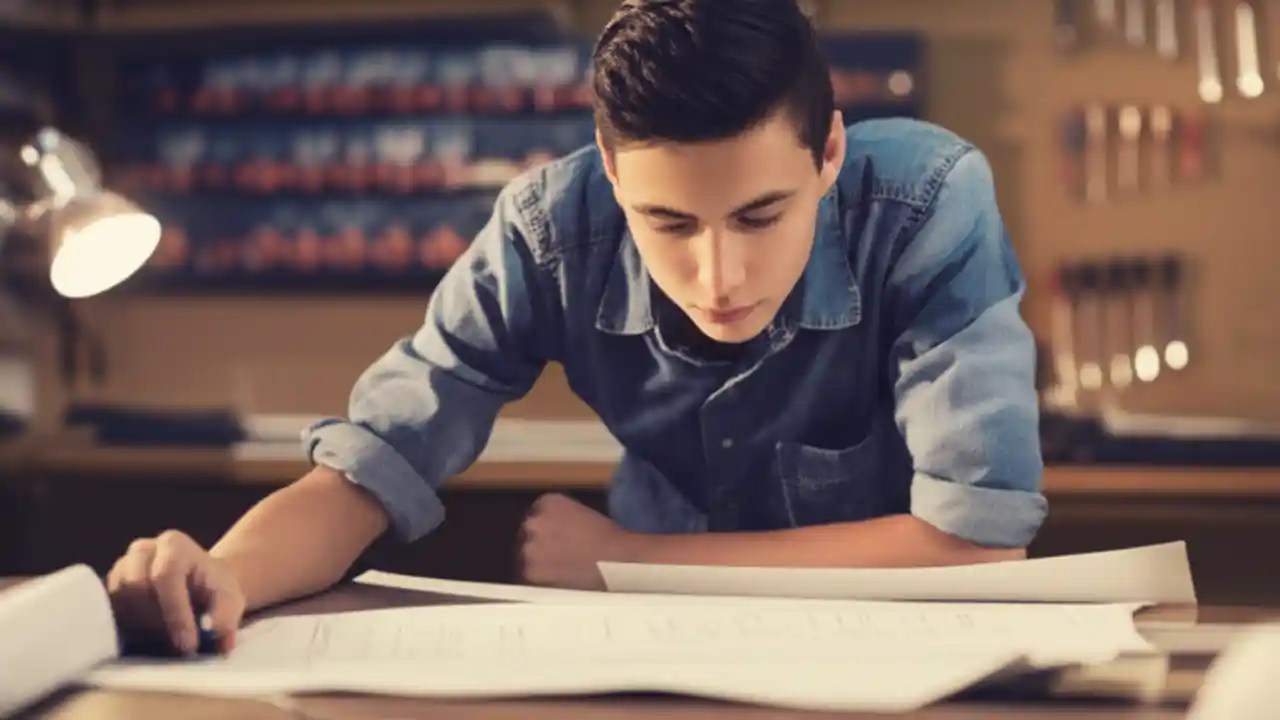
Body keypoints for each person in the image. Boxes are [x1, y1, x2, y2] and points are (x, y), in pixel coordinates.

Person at [107, 0, 1046, 656]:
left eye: (761, 216)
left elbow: (976, 538)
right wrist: (223, 575)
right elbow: (370, 469)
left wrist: (635, 558)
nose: (719, 280)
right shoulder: (551, 230)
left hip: (901, 649)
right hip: (654, 649)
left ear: (830, 151)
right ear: (610, 165)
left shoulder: (926, 201)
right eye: (669, 224)